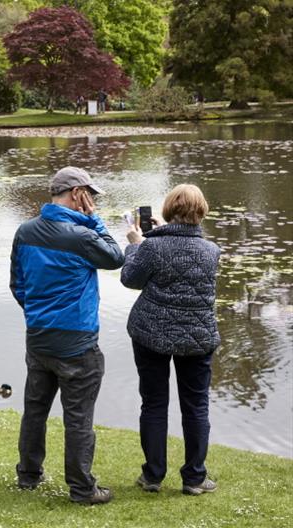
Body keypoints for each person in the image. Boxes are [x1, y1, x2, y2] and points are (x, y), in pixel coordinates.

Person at [10, 167, 124, 505]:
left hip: (39, 337)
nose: (91, 202)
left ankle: (28, 475)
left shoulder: (25, 231)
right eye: (90, 195)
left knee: (35, 410)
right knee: (78, 417)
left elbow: (18, 284)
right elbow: (116, 257)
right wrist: (95, 220)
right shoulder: (81, 236)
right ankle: (82, 488)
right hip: (77, 343)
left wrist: (36, 314)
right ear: (77, 194)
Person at [121, 184, 221, 496]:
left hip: (152, 333)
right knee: (196, 406)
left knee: (154, 403)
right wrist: (162, 235)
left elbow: (130, 279)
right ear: (201, 211)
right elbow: (185, 249)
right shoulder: (212, 251)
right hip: (197, 336)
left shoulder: (151, 247)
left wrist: (136, 244)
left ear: (167, 211)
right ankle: (194, 478)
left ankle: (152, 476)